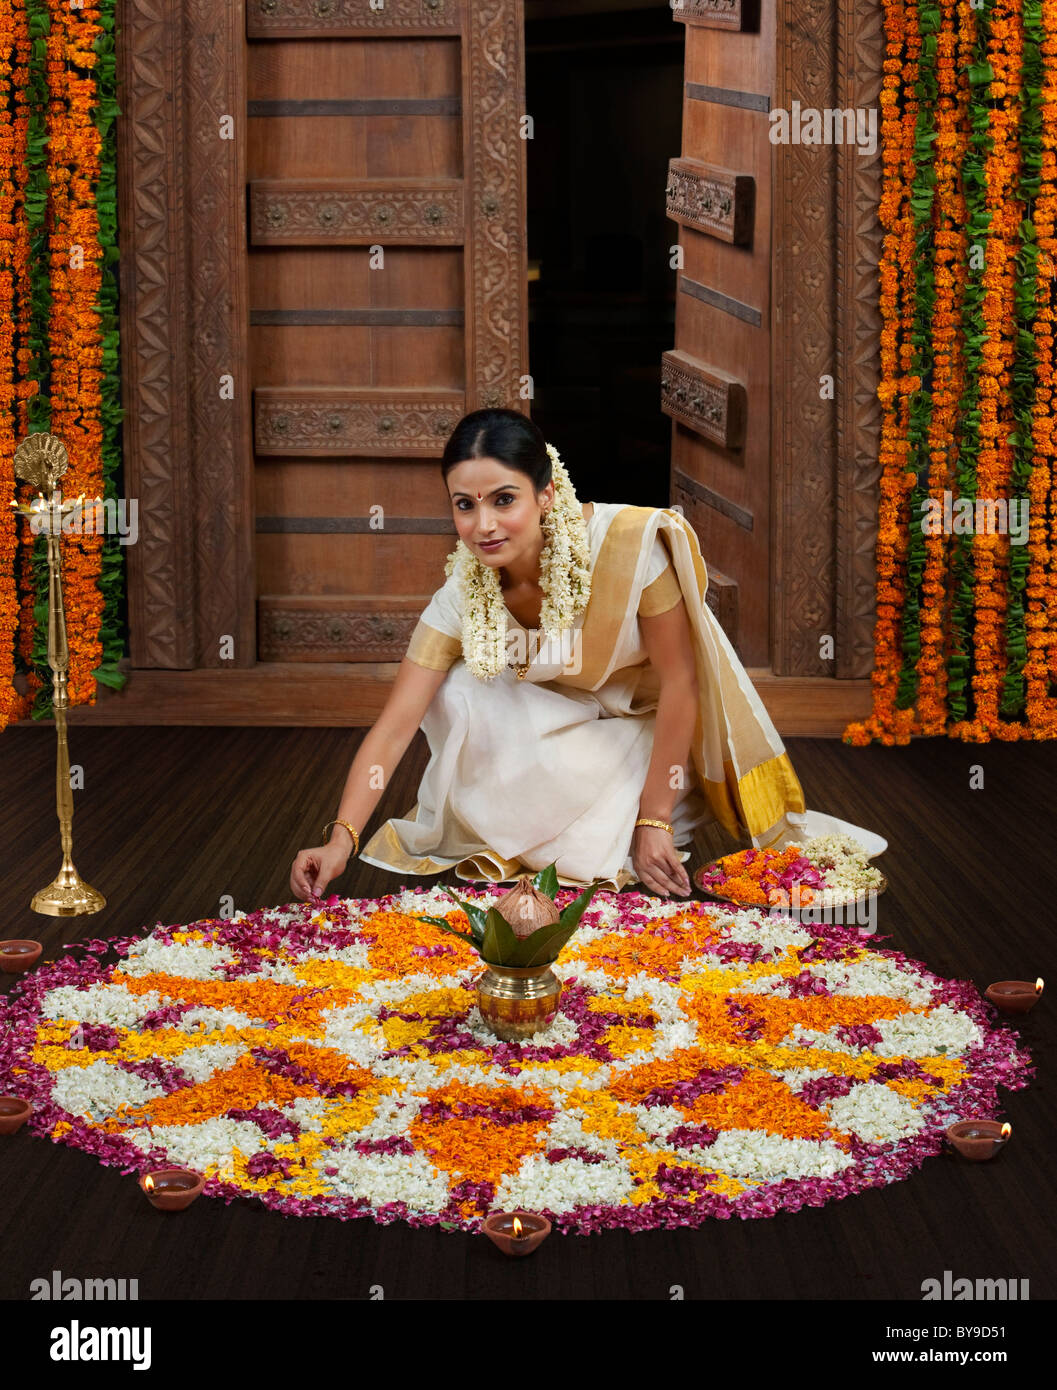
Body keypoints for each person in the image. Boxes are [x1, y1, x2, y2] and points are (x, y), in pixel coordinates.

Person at [289, 408, 807, 903]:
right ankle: (542, 820)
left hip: (644, 733)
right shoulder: (463, 590)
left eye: (503, 499)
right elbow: (396, 724)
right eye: (464, 504)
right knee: (458, 688)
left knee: (581, 837)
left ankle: (612, 816)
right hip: (547, 734)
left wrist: (655, 821)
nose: (484, 525)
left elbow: (680, 684)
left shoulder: (628, 547)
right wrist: (341, 839)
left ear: (545, 494)